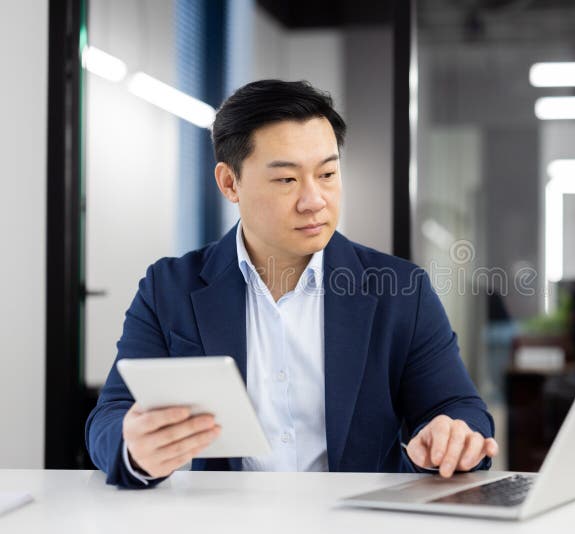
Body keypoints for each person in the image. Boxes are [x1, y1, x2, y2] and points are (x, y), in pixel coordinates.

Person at [85, 79, 497, 488]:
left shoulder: (401, 290)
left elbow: (459, 407)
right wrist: (134, 449)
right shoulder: (169, 289)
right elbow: (110, 416)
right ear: (229, 183)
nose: (314, 200)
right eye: (287, 180)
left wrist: (453, 435)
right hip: (223, 516)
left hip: (360, 516)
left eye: (328, 173)